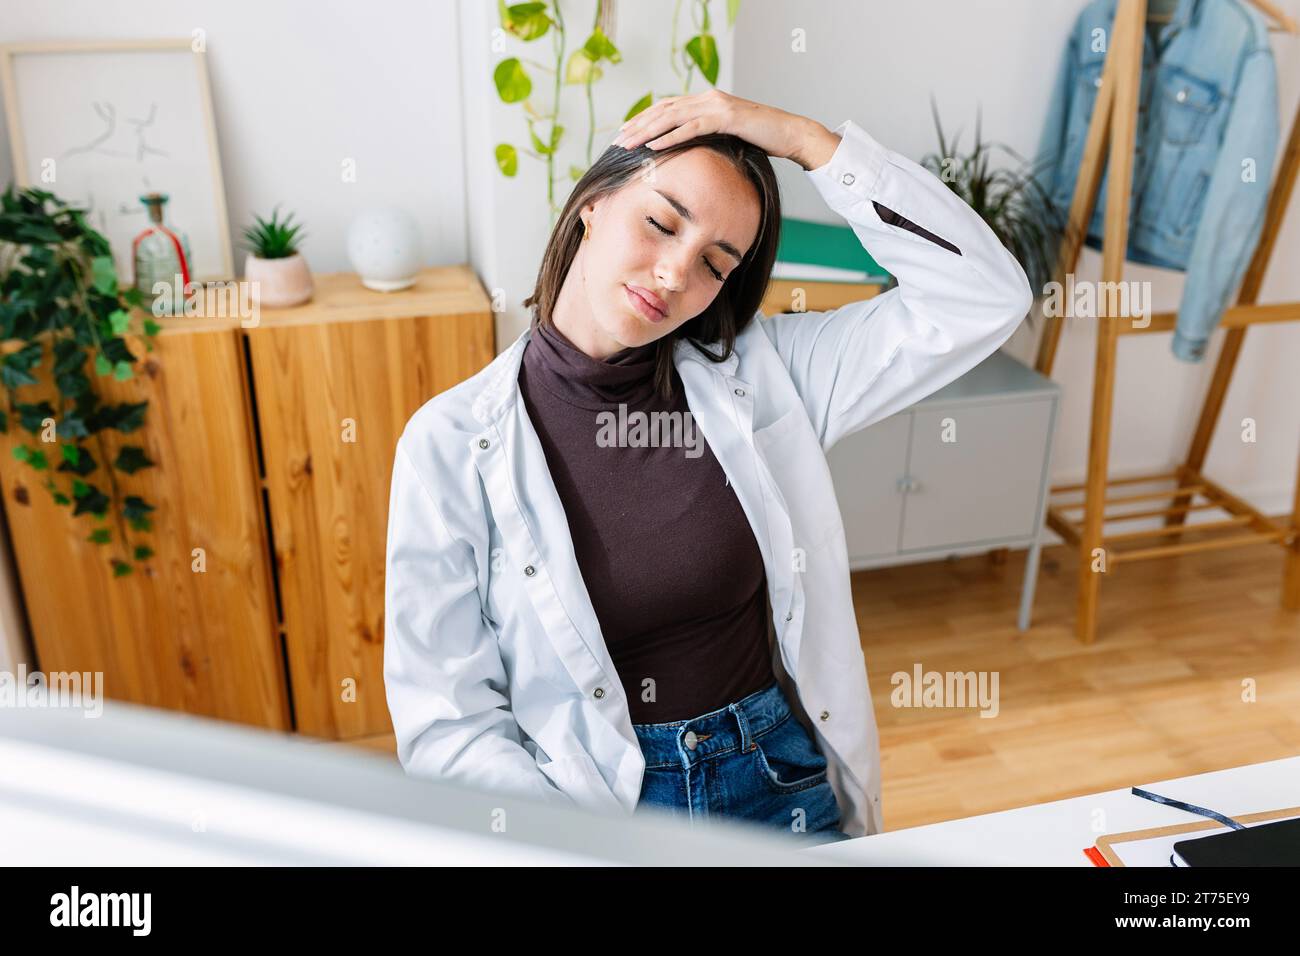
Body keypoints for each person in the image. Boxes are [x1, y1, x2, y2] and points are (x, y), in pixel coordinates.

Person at [384, 90, 1033, 847]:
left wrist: (803, 138)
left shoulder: (767, 377)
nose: (672, 274)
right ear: (593, 203)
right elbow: (448, 726)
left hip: (779, 783)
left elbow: (984, 296)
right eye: (660, 223)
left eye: (714, 264)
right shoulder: (450, 443)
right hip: (595, 815)